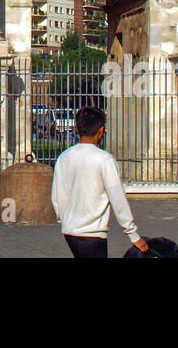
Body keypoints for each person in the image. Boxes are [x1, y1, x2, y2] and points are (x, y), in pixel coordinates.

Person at [50, 106, 148, 258]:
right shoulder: (104, 159)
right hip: (92, 234)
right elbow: (118, 199)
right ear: (101, 131)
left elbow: (58, 196)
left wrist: (65, 219)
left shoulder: (64, 157)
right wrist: (133, 234)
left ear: (77, 128)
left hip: (70, 231)